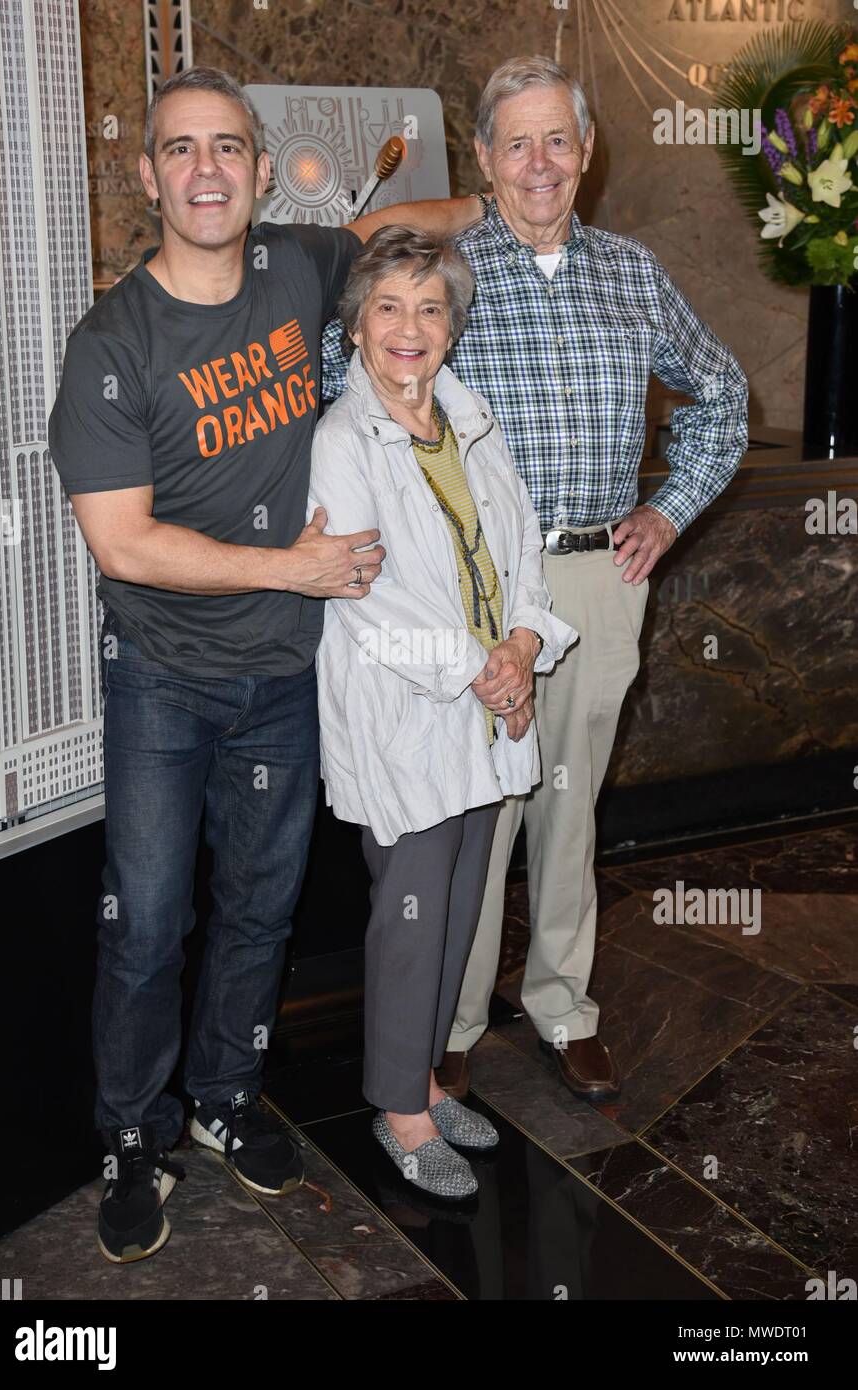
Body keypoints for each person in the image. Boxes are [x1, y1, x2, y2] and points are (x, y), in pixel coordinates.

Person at [47, 64, 490, 1263]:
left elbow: (406, 231)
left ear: (255, 166)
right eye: (180, 149)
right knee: (146, 918)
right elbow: (122, 538)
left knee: (259, 907)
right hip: (163, 673)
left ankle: (227, 1097)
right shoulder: (111, 341)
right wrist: (286, 570)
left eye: (227, 148)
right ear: (147, 175)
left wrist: (516, 183)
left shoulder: (300, 266)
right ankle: (131, 1134)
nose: (205, 170)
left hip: (285, 676)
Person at [321, 56, 749, 1106]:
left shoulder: (631, 273)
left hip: (598, 578)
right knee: (479, 812)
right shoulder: (450, 276)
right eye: (513, 142)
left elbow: (723, 393)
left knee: (569, 806)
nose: (539, 163)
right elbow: (357, 269)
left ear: (587, 151)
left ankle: (561, 1001)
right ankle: (452, 1021)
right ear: (480, 158)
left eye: (556, 139)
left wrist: (665, 510)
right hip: (480, 594)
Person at [309, 225, 576, 1198]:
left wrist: (523, 646)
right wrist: (481, 669)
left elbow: (522, 552)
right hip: (408, 714)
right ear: (355, 329)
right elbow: (367, 594)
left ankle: (423, 1071)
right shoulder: (343, 442)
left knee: (461, 907)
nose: (409, 328)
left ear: (451, 328)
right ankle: (400, 1110)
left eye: (428, 308)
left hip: (482, 704)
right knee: (412, 916)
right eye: (387, 307)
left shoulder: (470, 422)